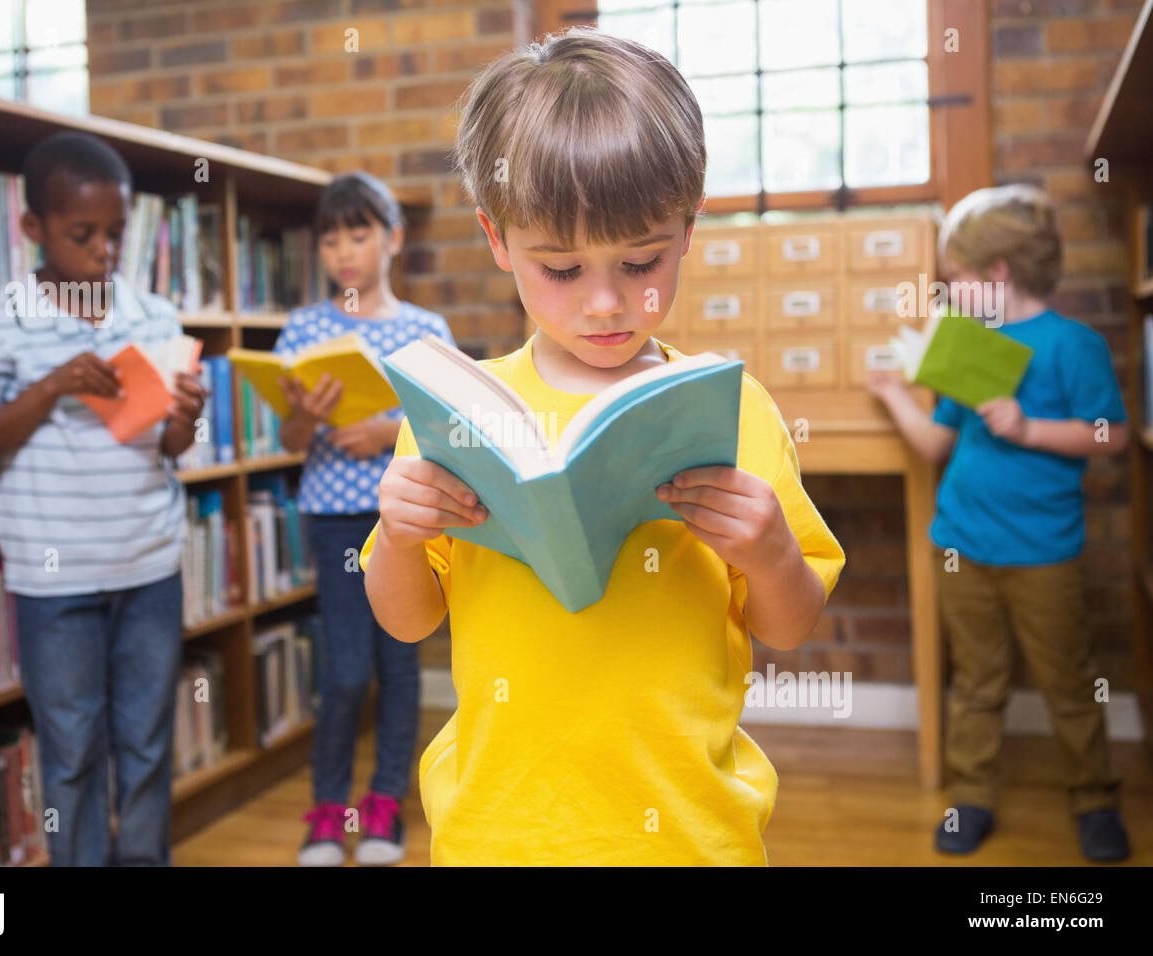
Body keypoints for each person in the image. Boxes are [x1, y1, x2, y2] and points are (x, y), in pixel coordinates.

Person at [358, 28, 845, 865]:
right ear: (497, 238)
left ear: (687, 229)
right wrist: (399, 535)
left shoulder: (736, 412)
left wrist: (769, 555)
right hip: (499, 831)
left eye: (641, 260)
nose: (607, 303)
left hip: (688, 833)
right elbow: (405, 623)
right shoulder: (459, 412)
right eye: (562, 268)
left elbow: (792, 626)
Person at [0, 131, 205, 865]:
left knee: (147, 743)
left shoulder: (152, 314)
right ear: (32, 229)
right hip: (51, 577)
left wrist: (185, 417)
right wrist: (53, 385)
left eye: (116, 234)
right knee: (70, 752)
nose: (103, 251)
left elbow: (171, 446)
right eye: (82, 234)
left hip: (148, 563)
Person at [868, 183, 1131, 862]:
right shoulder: (968, 347)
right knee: (976, 683)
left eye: (956, 280)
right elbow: (935, 444)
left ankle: (1095, 800)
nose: (950, 293)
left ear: (996, 275)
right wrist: (896, 396)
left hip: (1044, 553)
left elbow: (1112, 435)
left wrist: (1029, 427)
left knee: (1068, 682)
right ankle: (971, 800)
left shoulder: (1073, 345)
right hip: (962, 545)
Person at [276, 171, 455, 866]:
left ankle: (383, 805)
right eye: (330, 239)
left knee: (399, 666)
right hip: (332, 518)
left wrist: (386, 435)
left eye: (359, 233)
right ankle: (327, 810)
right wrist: (306, 417)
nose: (345, 251)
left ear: (393, 240)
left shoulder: (424, 330)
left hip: (406, 517)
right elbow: (290, 442)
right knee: (347, 672)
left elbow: (444, 431)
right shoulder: (304, 328)